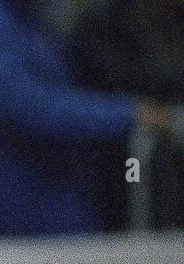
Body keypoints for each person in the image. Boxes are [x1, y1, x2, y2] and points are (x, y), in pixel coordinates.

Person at [0, 0, 172, 237]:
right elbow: (30, 107)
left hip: (67, 195)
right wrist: (126, 113)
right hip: (20, 204)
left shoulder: (41, 22)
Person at [68, 0, 184, 230]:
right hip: (109, 175)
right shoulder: (100, 26)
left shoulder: (171, 25)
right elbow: (38, 105)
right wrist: (131, 113)